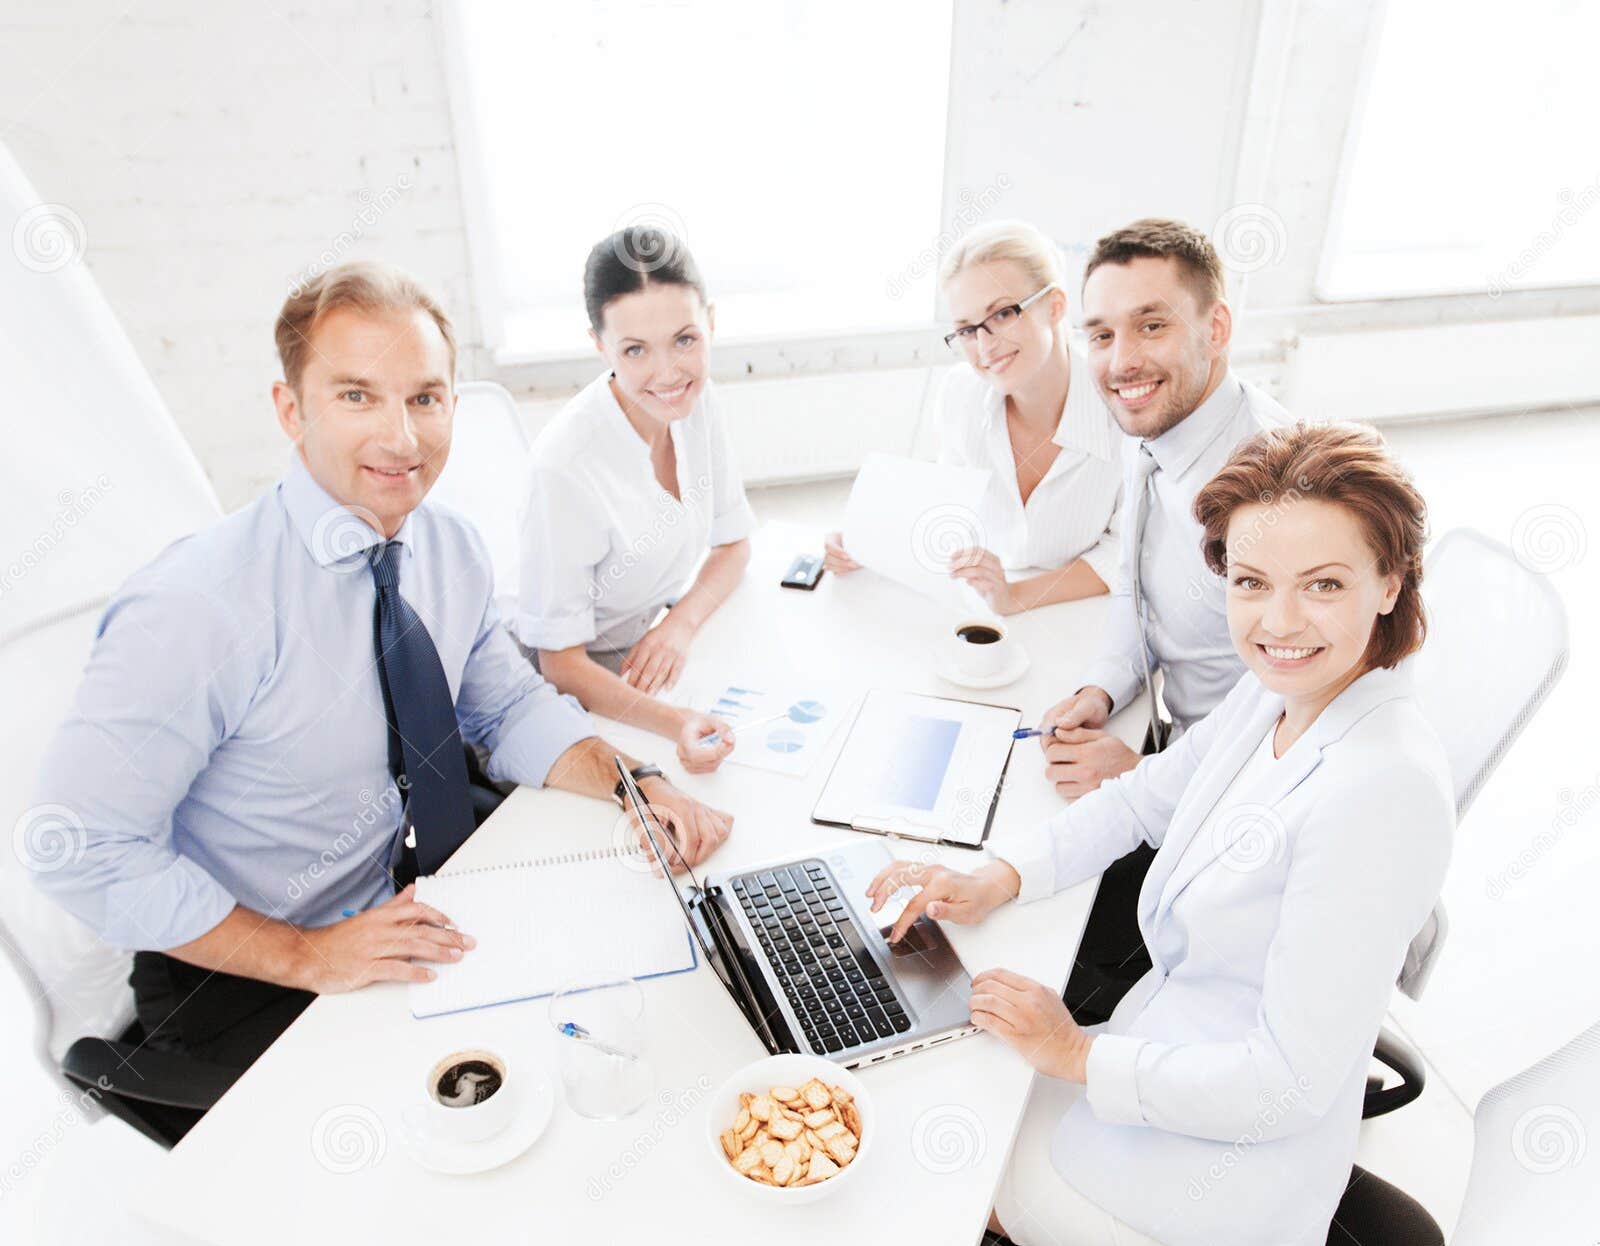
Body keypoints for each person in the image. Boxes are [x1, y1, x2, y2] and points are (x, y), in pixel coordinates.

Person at [30, 261, 733, 1078]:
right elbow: (78, 848)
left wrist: (638, 784)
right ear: (290, 410)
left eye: (424, 398)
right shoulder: (199, 605)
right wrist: (309, 953)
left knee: (627, 1009)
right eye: (357, 395)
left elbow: (507, 708)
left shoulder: (449, 548)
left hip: (401, 891)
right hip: (246, 962)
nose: (401, 438)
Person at [867, 422, 1453, 1246]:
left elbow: (1289, 1083)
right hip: (1162, 1056)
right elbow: (1144, 796)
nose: (1279, 621)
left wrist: (1074, 1055)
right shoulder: (1284, 688)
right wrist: (995, 874)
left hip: (1219, 1188)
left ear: (1390, 582)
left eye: (1324, 584)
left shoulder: (1382, 790)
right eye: (1251, 582)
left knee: (930, 1162)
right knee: (948, 1075)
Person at [1035, 217, 1289, 1020]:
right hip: (1182, 756)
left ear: (1216, 328)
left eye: (1152, 325)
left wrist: (1141, 780)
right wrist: (1102, 688)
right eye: (1101, 334)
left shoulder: (1268, 500)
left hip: (1242, 812)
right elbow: (1132, 587)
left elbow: (1297, 726)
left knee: (1058, 970)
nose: (1122, 361)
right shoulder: (1158, 426)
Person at [515, 227, 753, 774]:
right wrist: (676, 722)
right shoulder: (564, 465)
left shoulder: (698, 401)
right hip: (565, 694)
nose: (668, 373)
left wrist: (678, 626)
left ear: (711, 322)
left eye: (685, 340)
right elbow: (560, 665)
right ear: (600, 347)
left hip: (643, 655)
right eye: (635, 350)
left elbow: (735, 545)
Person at [822, 220, 1121, 613]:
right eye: (966, 330)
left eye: (1003, 314)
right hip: (992, 609)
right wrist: (868, 540)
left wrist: (1016, 596)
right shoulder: (961, 393)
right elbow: (952, 506)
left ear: (1055, 306)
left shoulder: (1120, 409)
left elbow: (1122, 552)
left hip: (1085, 612)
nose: (985, 346)